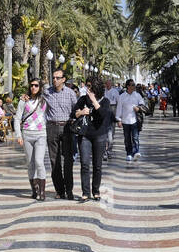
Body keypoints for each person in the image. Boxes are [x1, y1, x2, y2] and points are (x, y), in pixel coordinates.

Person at [73, 76, 114, 201]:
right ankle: (85, 192)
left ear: (96, 87)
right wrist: (81, 112)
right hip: (85, 135)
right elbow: (73, 113)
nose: (87, 88)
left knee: (97, 165)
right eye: (87, 86)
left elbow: (102, 115)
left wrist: (94, 100)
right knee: (85, 164)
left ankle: (95, 191)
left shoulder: (105, 101)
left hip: (99, 136)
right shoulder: (82, 99)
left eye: (90, 86)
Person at [44, 68, 78, 200]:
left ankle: (69, 190)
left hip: (67, 128)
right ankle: (60, 190)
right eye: (53, 77)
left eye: (58, 78)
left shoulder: (70, 93)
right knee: (54, 161)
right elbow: (34, 96)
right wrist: (26, 96)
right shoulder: (47, 93)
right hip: (52, 127)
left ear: (63, 79)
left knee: (68, 161)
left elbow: (76, 109)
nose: (54, 80)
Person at [14, 77, 50, 200]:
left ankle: (42, 192)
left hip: (41, 134)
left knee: (39, 162)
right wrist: (18, 135)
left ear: (40, 87)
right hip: (27, 134)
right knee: (30, 164)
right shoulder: (23, 101)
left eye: (36, 85)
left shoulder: (44, 100)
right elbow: (17, 118)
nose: (33, 87)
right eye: (31, 85)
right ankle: (34, 190)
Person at [116, 79, 146, 161]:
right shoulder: (122, 96)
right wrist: (118, 119)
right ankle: (129, 153)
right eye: (132, 85)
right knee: (127, 138)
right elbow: (119, 108)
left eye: (134, 85)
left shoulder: (137, 95)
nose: (134, 86)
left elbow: (142, 104)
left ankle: (136, 152)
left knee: (135, 137)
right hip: (125, 121)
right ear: (128, 86)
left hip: (135, 120)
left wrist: (138, 108)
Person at [103, 81, 121, 158]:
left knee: (111, 133)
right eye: (106, 84)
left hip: (112, 109)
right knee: (103, 133)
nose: (107, 85)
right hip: (104, 110)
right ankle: (104, 152)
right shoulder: (103, 91)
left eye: (109, 84)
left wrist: (118, 117)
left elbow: (118, 103)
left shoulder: (115, 92)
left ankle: (109, 150)